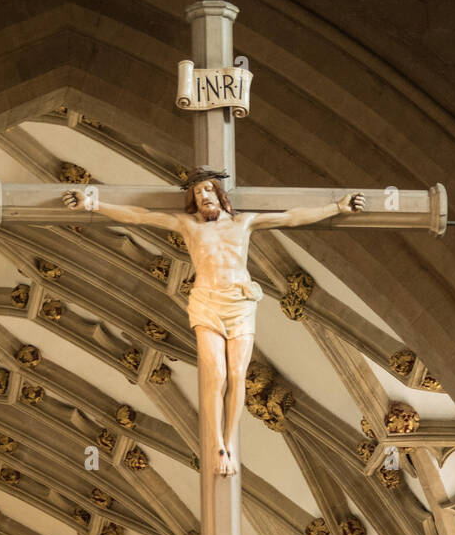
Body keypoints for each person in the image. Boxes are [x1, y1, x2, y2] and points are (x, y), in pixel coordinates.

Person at [64, 168, 364, 475]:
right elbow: (139, 216)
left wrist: (336, 208)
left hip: (240, 303)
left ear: (220, 195)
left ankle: (230, 443)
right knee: (216, 374)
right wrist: (93, 204)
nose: (204, 196)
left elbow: (290, 217)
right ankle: (217, 444)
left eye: (208, 190)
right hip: (206, 302)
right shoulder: (188, 225)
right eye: (198, 193)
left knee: (237, 373)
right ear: (193, 202)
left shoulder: (243, 222)